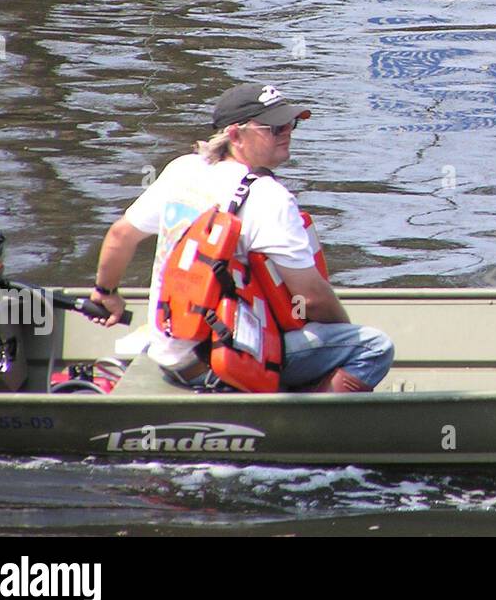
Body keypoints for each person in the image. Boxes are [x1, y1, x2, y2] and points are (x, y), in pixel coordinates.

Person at [89, 82, 394, 392]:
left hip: (170, 354)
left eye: (291, 123)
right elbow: (311, 299)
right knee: (373, 347)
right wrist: (340, 336)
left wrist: (106, 293)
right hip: (220, 361)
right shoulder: (268, 197)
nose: (287, 132)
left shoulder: (183, 170)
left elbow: (120, 236)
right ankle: (295, 426)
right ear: (235, 135)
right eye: (274, 128)